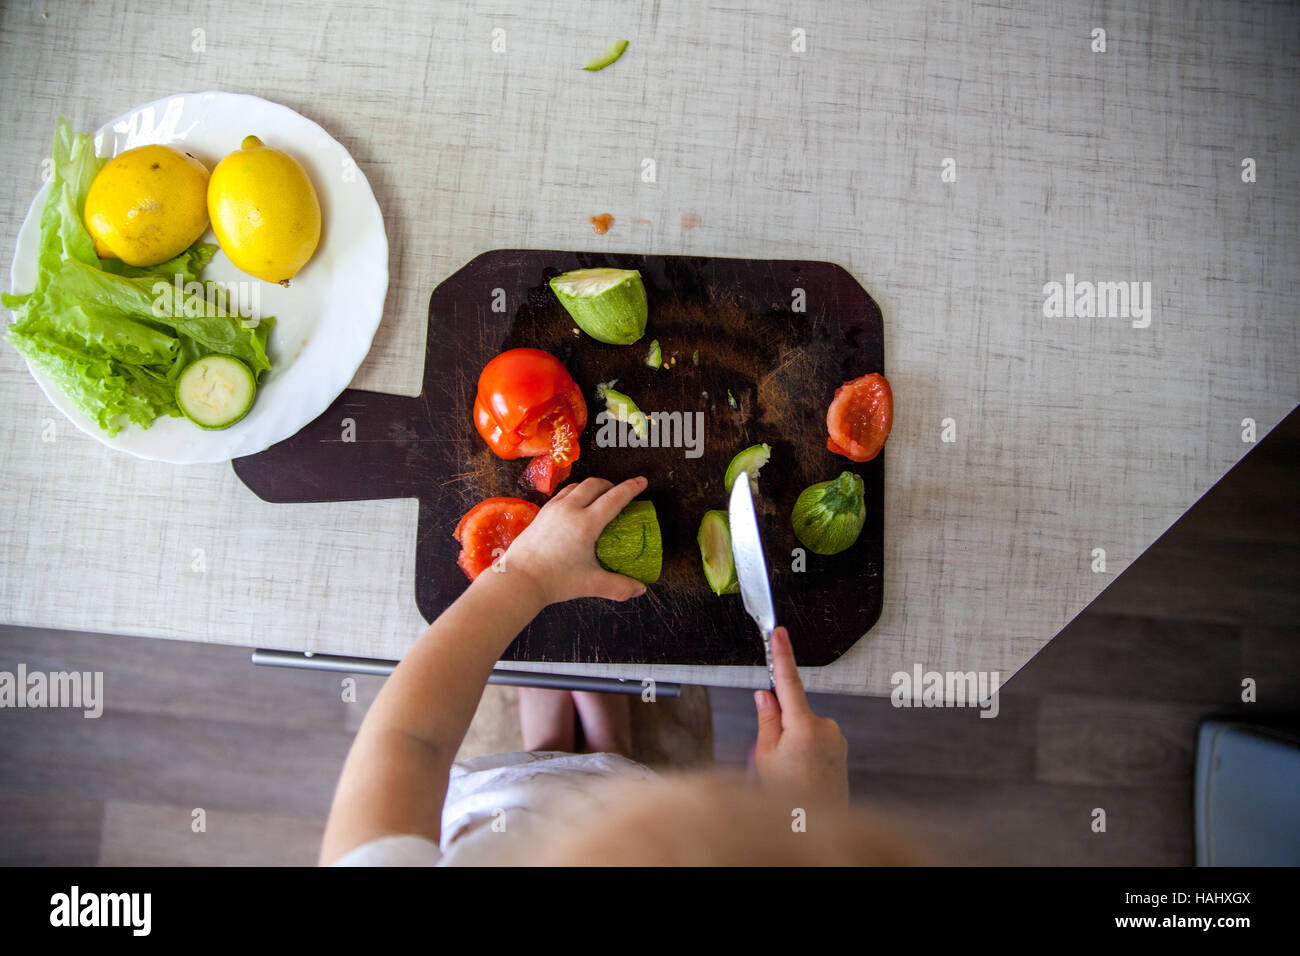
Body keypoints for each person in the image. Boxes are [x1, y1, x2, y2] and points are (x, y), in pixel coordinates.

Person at [320, 476, 922, 866]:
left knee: (549, 765)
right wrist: (805, 817)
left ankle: (550, 746)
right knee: (614, 770)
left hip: (493, 805)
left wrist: (525, 577)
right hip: (622, 785)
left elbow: (410, 742)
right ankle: (609, 747)